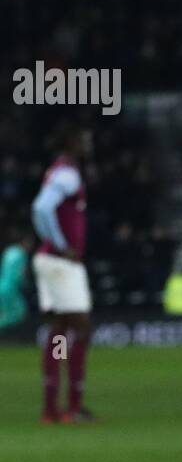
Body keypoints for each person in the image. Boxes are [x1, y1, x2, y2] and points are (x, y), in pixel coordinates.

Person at [30, 128, 96, 423]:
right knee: (81, 330)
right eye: (84, 139)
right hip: (61, 263)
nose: (88, 144)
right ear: (72, 143)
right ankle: (72, 406)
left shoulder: (58, 171)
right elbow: (41, 207)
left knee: (59, 331)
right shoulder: (67, 175)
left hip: (52, 260)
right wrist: (60, 244)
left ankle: (51, 408)